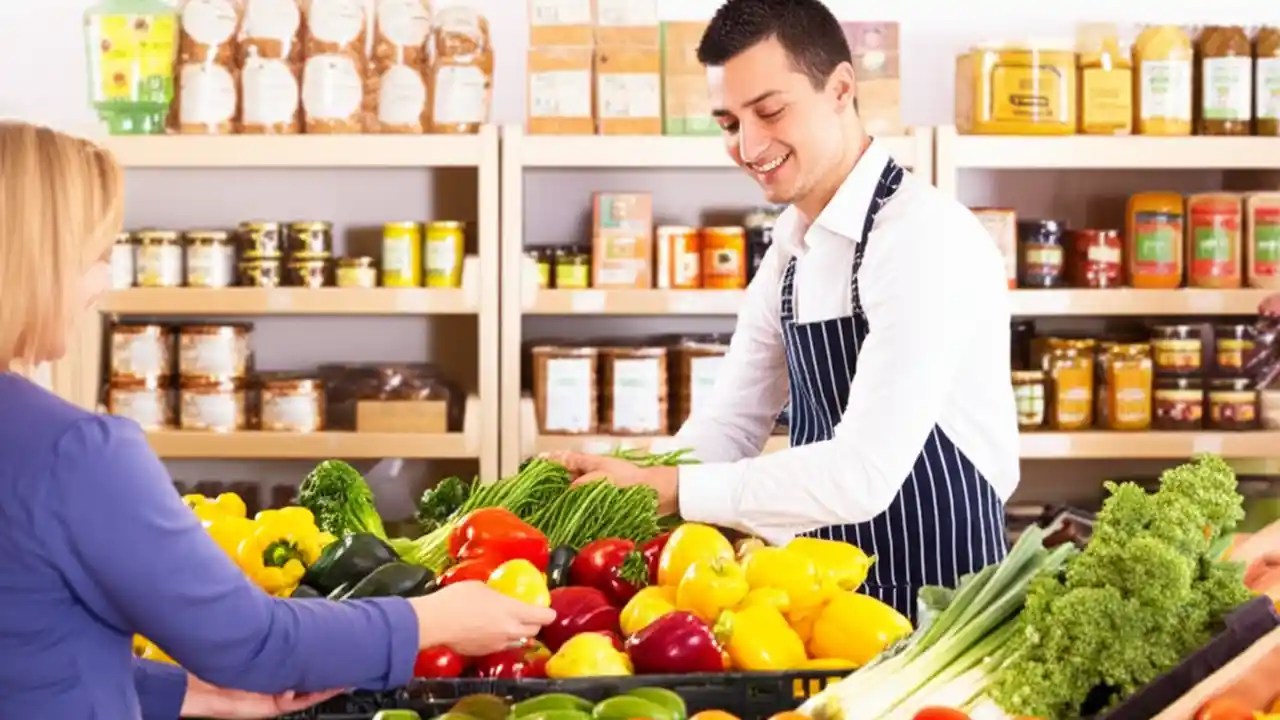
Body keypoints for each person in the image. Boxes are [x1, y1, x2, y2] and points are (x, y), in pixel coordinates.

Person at [0, 121, 555, 719]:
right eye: (97, 256)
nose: (103, 285)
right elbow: (252, 641)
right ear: (35, 263)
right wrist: (437, 617)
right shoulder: (76, 453)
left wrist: (182, 692)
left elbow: (27, 631)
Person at [551, 0, 1020, 620]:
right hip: (823, 604)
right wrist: (631, 483)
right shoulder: (792, 248)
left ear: (841, 89)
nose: (748, 145)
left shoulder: (921, 236)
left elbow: (863, 472)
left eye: (770, 111)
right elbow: (732, 423)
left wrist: (676, 489)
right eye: (727, 122)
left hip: (944, 609)